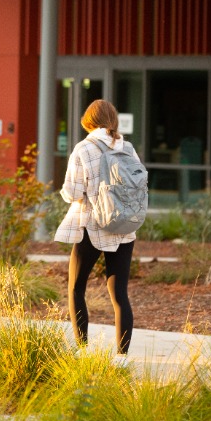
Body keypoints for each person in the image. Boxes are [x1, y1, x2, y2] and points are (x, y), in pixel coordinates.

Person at [55, 98, 139, 358]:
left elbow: (72, 192)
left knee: (76, 288)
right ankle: (121, 358)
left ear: (89, 121)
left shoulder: (84, 147)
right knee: (119, 295)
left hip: (92, 226)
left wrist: (67, 192)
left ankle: (81, 351)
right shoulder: (127, 147)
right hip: (124, 226)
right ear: (112, 121)